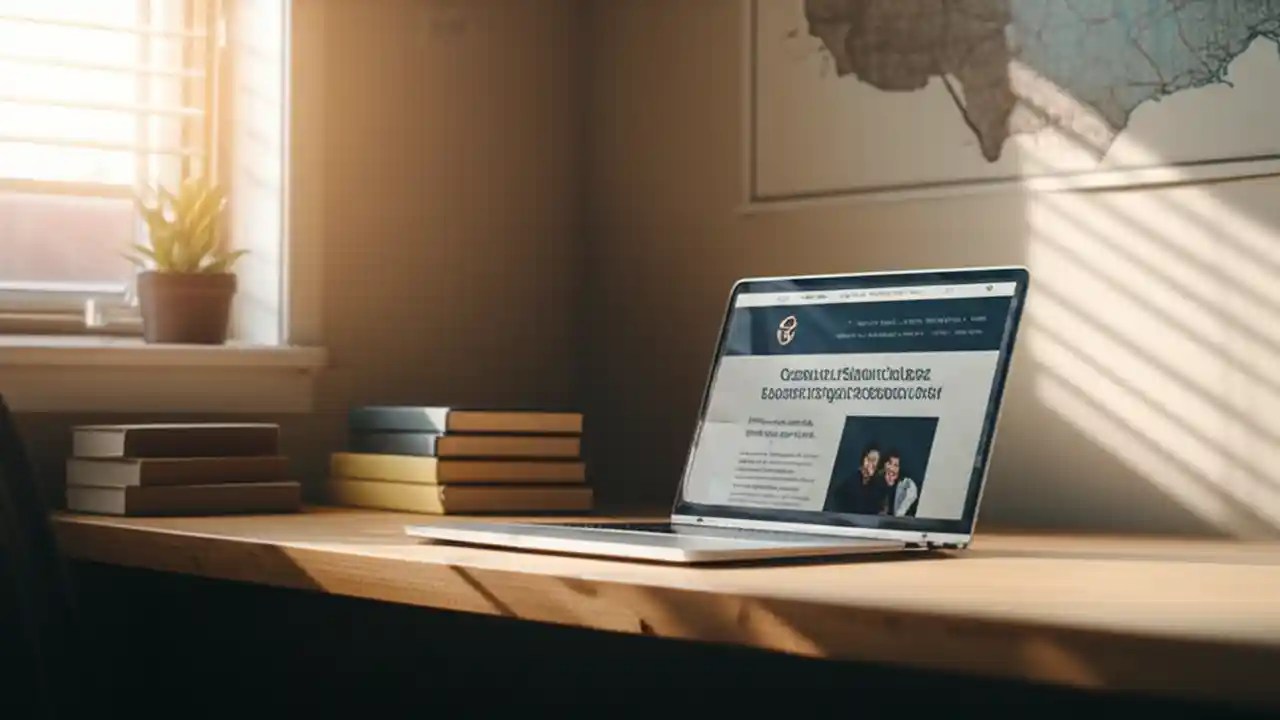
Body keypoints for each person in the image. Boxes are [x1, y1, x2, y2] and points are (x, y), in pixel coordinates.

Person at [847, 442, 888, 515]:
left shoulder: (880, 485)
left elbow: (882, 509)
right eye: (869, 459)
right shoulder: (850, 483)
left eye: (875, 460)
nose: (871, 464)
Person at [881, 450, 919, 517]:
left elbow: (912, 495)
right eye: (889, 463)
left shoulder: (906, 484)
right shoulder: (876, 482)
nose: (892, 468)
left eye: (896, 465)